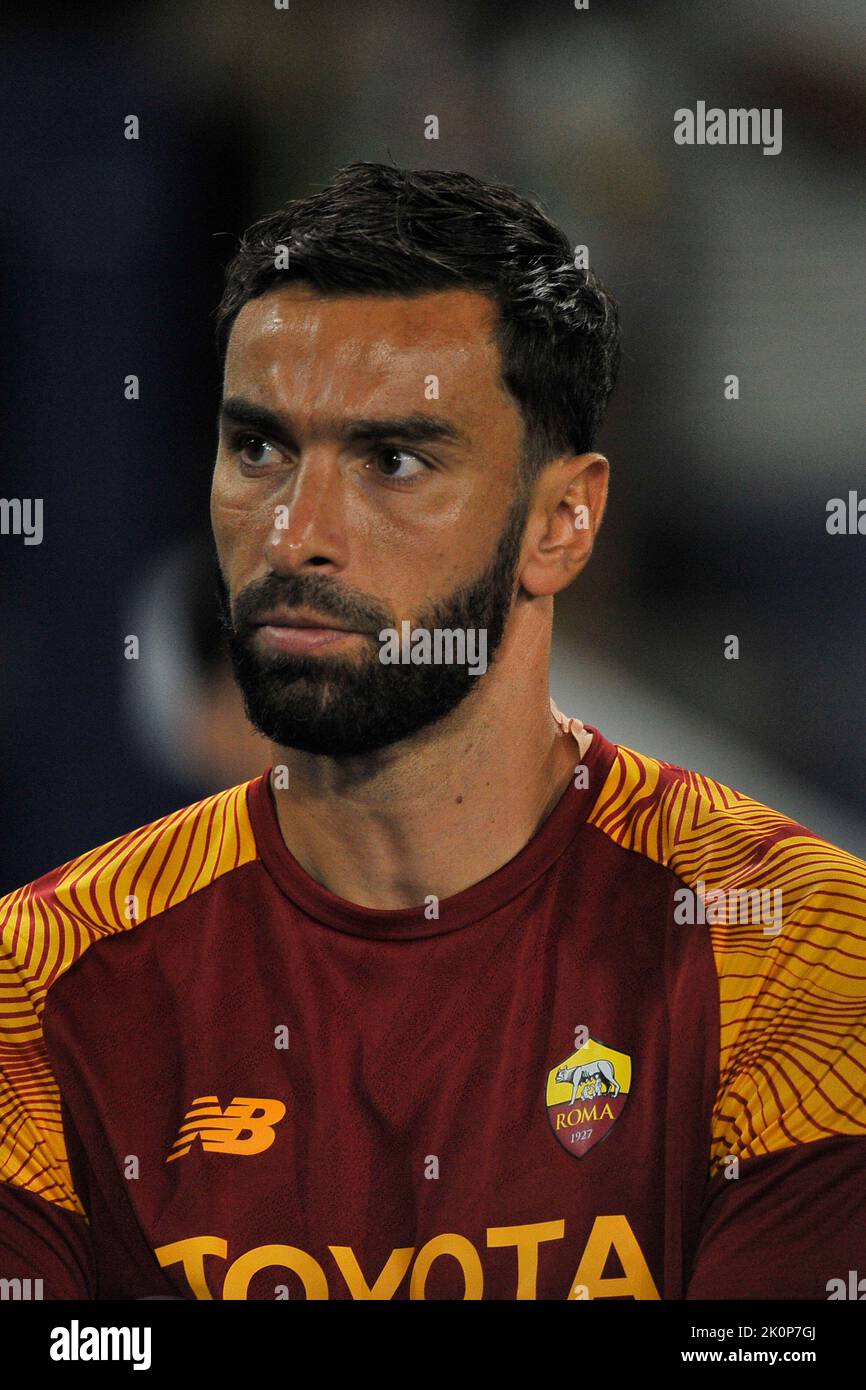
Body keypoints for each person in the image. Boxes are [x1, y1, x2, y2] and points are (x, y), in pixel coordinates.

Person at [1, 162, 863, 1301]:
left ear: (562, 522)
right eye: (259, 449)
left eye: (393, 461)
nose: (294, 534)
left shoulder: (802, 951)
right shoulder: (39, 980)